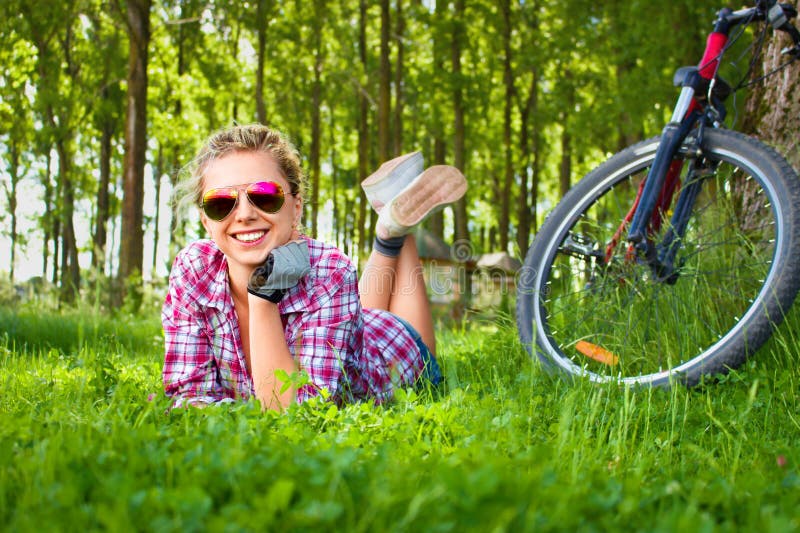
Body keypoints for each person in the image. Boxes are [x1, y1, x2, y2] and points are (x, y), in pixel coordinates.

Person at [162, 124, 467, 410]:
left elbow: (301, 410)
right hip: (350, 322)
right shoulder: (194, 269)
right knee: (358, 318)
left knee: (419, 351)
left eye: (264, 196)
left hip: (391, 346)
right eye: (220, 202)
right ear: (206, 221)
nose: (244, 214)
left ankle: (397, 231)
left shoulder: (329, 270)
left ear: (296, 208)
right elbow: (189, 394)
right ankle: (390, 224)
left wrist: (262, 298)